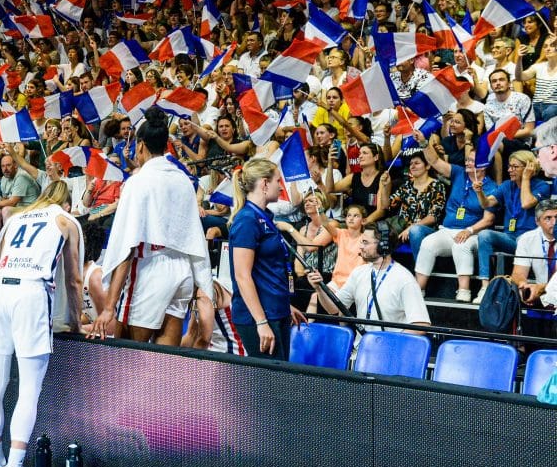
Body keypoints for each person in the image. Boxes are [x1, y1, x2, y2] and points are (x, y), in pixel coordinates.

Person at [0, 181, 82, 467]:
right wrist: (75, 320)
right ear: (66, 203)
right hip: (30, 294)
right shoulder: (66, 220)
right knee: (28, 389)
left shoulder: (14, 219)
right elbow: (74, 280)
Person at [89, 108, 214, 346]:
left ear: (141, 146)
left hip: (150, 267)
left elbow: (127, 245)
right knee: (166, 359)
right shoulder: (183, 180)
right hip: (182, 269)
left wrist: (108, 307)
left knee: (127, 356)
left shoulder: (138, 182)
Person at [225, 159, 307, 360]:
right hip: (258, 317)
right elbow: (242, 276)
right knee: (268, 385)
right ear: (264, 184)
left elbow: (267, 270)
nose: (281, 187)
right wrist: (261, 321)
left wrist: (283, 304)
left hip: (275, 310)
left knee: (279, 380)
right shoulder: (247, 220)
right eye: (278, 181)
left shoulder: (265, 217)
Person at [414, 131, 497, 301]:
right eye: (467, 159)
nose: (467, 162)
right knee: (428, 243)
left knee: (461, 245)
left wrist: (469, 230)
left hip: (474, 233)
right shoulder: (459, 173)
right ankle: (418, 290)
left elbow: (489, 219)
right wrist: (423, 142)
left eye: (472, 161)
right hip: (447, 230)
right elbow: (435, 161)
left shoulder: (491, 186)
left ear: (483, 165)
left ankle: (464, 291)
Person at [307, 225, 430, 333]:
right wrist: (319, 288)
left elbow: (421, 324)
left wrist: (391, 343)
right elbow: (333, 308)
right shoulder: (359, 273)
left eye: (365, 242)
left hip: (387, 353)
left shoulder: (404, 279)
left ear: (383, 246)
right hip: (361, 351)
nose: (360, 246)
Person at [473, 151, 550, 303]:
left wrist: (526, 178)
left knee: (523, 239)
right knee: (484, 235)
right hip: (510, 238)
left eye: (515, 167)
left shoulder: (542, 186)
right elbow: (486, 204)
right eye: (509, 166)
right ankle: (485, 287)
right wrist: (480, 192)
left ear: (528, 166)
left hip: (530, 240)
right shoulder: (507, 185)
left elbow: (526, 203)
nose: (509, 170)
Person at [511, 200, 557, 305]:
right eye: (548, 218)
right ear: (537, 221)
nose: (554, 222)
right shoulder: (527, 239)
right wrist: (523, 285)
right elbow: (518, 273)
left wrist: (541, 288)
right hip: (539, 296)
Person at [0, 155, 41, 237]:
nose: (5, 169)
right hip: (18, 207)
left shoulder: (21, 176)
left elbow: (12, 202)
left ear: (15, 165)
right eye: (3, 166)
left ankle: (9, 239)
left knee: (6, 210)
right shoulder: (5, 178)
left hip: (31, 207)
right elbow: (5, 198)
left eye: (8, 165)